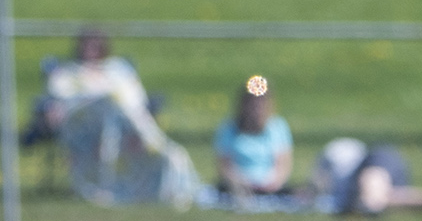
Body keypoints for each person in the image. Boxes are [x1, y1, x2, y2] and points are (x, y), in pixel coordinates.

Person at [42, 28, 197, 208]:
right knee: (106, 107)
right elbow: (61, 104)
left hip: (127, 128)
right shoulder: (68, 74)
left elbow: (135, 101)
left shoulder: (117, 70)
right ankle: (102, 186)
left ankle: (163, 187)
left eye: (95, 46)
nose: (91, 50)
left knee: (170, 152)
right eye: (87, 45)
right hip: (85, 133)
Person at [213, 75, 293, 197]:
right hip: (238, 187)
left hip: (270, 187)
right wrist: (240, 183)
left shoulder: (277, 127)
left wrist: (273, 184)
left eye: (261, 102)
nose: (256, 106)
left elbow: (283, 164)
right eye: (252, 102)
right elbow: (224, 165)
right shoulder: (229, 128)